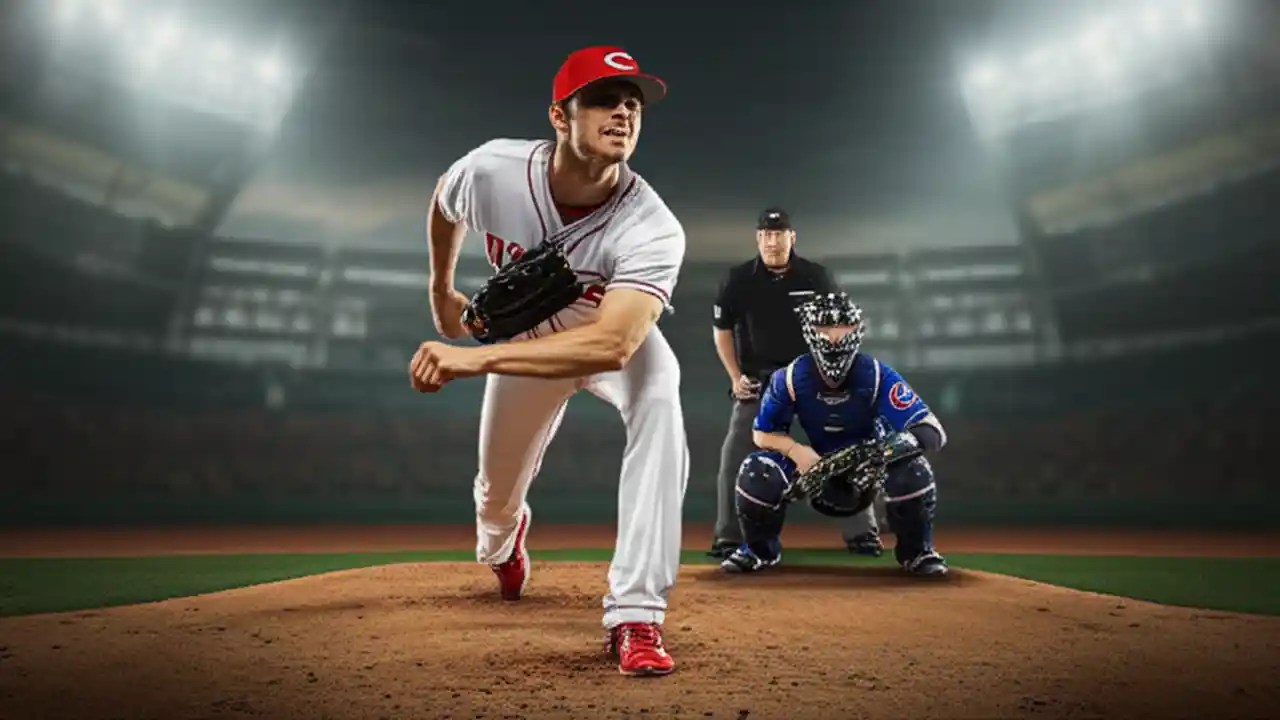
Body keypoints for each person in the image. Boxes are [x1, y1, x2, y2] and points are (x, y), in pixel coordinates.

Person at [407, 45, 687, 678]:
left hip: (605, 336)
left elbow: (614, 343)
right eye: (604, 100)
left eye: (633, 103)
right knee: (493, 501)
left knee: (660, 393)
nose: (623, 112)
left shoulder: (653, 226)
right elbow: (444, 203)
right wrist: (439, 291)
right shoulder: (492, 170)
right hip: (531, 344)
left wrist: (475, 359)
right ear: (560, 116)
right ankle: (505, 541)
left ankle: (637, 613)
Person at [719, 291, 949, 577]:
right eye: (824, 328)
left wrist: (882, 454)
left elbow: (931, 430)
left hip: (868, 465)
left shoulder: (877, 374)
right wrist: (797, 452)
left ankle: (918, 552)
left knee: (914, 470)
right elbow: (762, 434)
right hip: (814, 461)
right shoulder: (789, 378)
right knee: (757, 471)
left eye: (843, 327)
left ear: (857, 330)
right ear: (809, 331)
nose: (834, 336)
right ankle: (758, 551)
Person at [708, 208, 883, 559]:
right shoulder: (739, 279)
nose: (773, 241)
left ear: (793, 237)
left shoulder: (816, 277)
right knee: (735, 454)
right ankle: (728, 536)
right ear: (758, 239)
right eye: (766, 235)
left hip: (814, 379)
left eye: (779, 234)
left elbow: (842, 324)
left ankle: (863, 532)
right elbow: (721, 330)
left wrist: (836, 371)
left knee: (845, 446)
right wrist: (734, 377)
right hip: (762, 382)